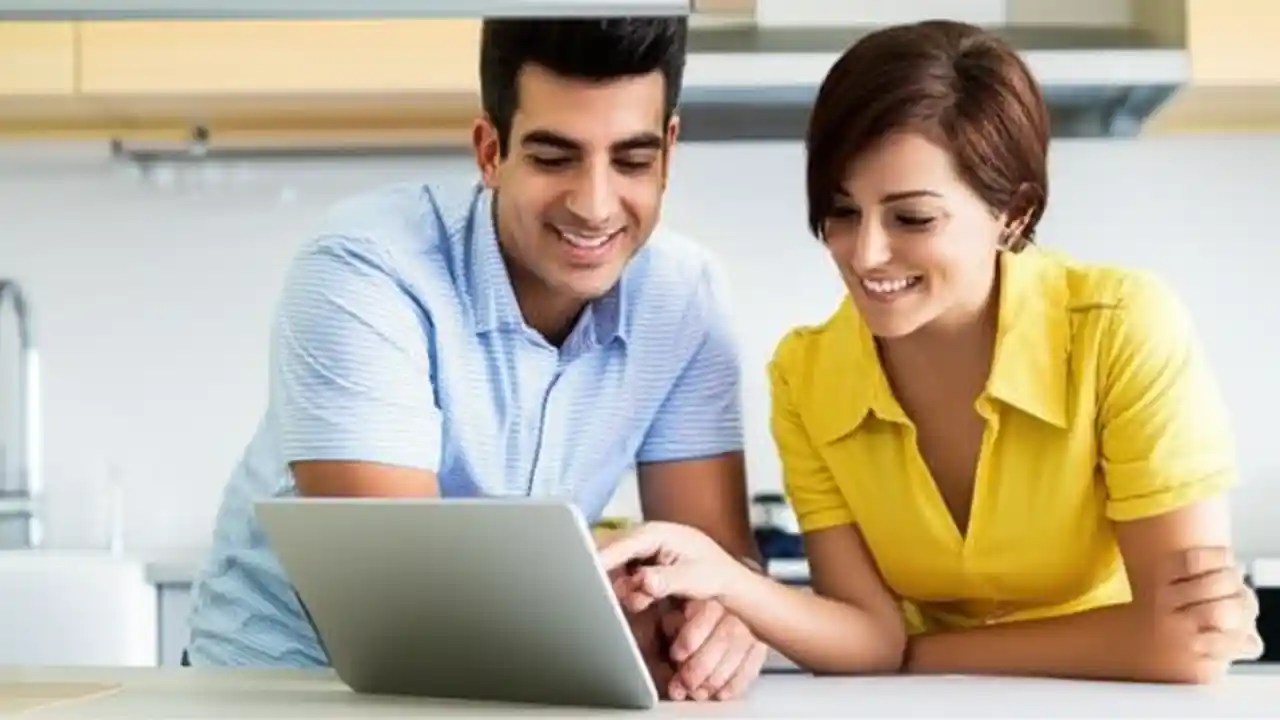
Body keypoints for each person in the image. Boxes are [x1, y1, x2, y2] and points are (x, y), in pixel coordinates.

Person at [602, 19, 1263, 684]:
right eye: (841, 211)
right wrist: (727, 579)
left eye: (912, 218)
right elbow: (861, 631)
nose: (865, 254)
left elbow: (1185, 646)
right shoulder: (807, 374)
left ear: (1016, 213)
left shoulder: (1120, 330)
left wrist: (914, 654)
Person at [183, 16, 768, 701]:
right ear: (490, 151)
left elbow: (714, 559)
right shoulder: (367, 270)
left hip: (513, 683)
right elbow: (405, 604)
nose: (595, 204)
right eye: (554, 158)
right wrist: (637, 619)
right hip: (283, 688)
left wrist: (719, 621)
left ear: (668, 153)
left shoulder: (683, 297)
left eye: (632, 161)